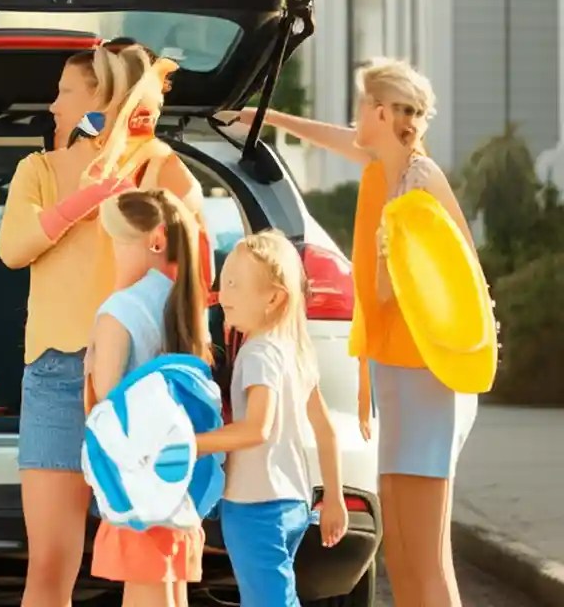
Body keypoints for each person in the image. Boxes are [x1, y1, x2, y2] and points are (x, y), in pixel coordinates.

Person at [223, 58, 478, 606]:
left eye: (361, 107)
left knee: (428, 556)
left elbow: (466, 273)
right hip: (394, 374)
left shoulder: (420, 178)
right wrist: (265, 120)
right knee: (402, 553)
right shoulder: (377, 165)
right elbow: (330, 137)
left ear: (381, 113)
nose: (354, 118)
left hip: (429, 379)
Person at [0, 42, 145, 607]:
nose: (53, 104)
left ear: (101, 97)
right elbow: (13, 248)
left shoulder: (154, 165)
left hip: (136, 375)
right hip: (57, 374)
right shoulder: (37, 170)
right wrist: (86, 198)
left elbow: (185, 255)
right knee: (51, 566)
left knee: (144, 559)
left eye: (64, 91)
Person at [194, 231, 349, 606]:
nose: (223, 292)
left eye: (234, 283)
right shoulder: (293, 350)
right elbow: (326, 432)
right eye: (223, 280)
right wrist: (334, 497)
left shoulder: (259, 354)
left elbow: (256, 429)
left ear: (274, 298)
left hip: (255, 506)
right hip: (293, 501)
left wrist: (190, 443)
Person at [84, 189, 210, 607]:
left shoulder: (120, 310)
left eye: (119, 242)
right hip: (179, 485)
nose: (113, 254)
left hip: (136, 481)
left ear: (155, 241)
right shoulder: (184, 306)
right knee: (171, 596)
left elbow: (105, 403)